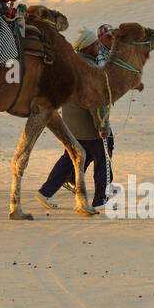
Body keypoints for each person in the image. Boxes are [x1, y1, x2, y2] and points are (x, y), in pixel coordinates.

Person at [36, 27, 111, 212]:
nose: (98, 47)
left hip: (71, 123)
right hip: (89, 127)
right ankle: (100, 200)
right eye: (95, 44)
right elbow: (95, 102)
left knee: (70, 159)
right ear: (86, 48)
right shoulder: (90, 69)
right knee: (103, 160)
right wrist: (102, 126)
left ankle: (46, 192)